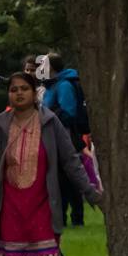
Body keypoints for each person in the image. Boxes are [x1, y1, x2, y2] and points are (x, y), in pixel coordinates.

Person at [0, 72, 103, 256]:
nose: (19, 93)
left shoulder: (49, 122)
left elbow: (70, 161)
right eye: (14, 89)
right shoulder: (2, 124)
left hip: (43, 204)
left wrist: (91, 193)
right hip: (10, 206)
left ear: (34, 93)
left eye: (24, 88)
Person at [43, 52, 87, 228]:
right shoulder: (53, 85)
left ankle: (73, 218)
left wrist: (48, 117)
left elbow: (69, 112)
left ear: (51, 68)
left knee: (66, 179)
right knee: (62, 178)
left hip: (63, 137)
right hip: (53, 135)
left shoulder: (64, 86)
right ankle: (63, 217)